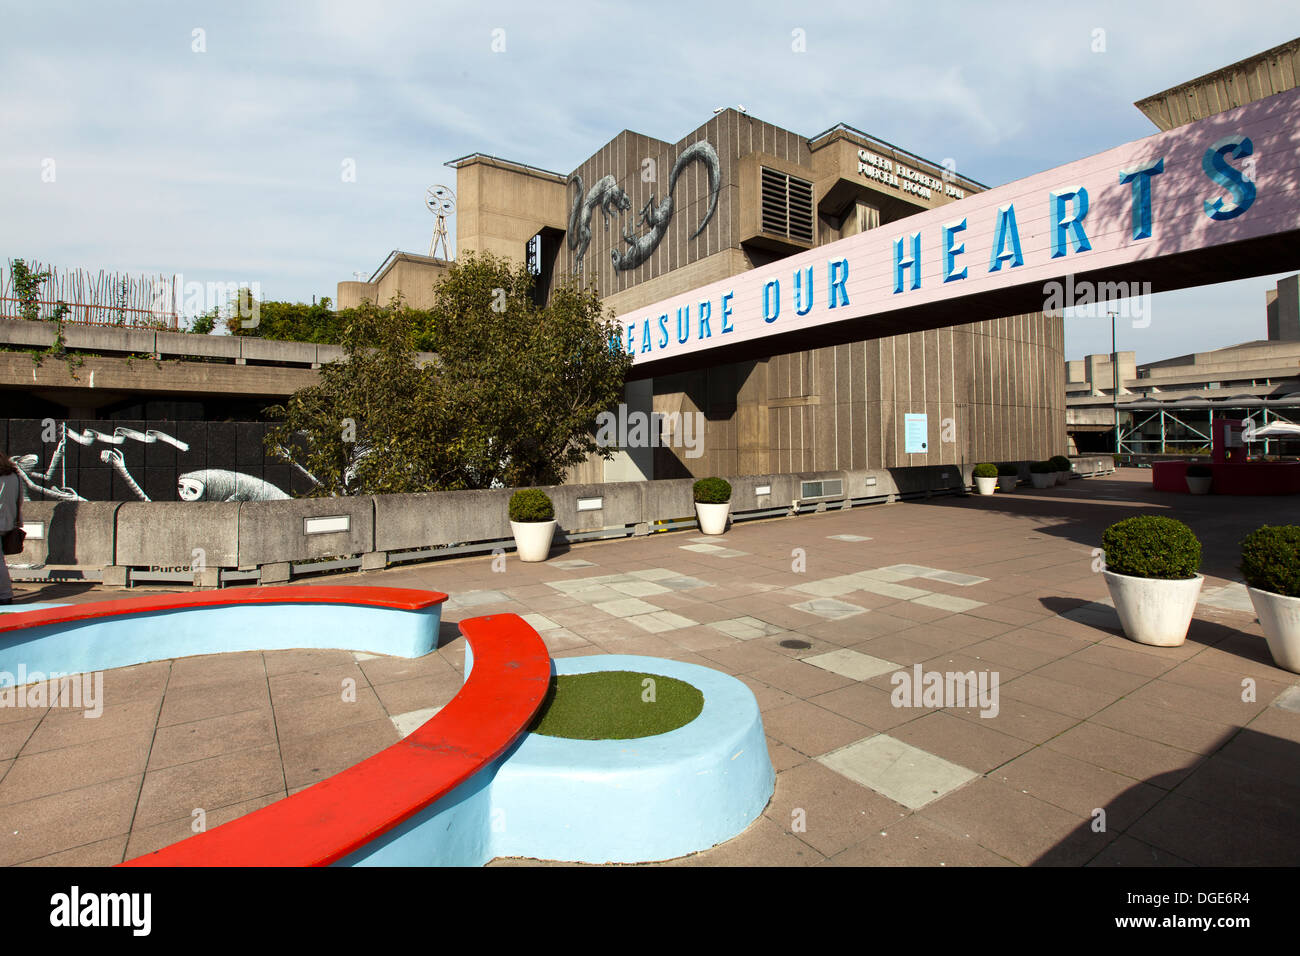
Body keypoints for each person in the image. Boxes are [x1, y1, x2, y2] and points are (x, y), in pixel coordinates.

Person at [0, 455, 21, 605]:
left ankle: (5, 595)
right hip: (7, 523)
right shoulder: (15, 477)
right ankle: (5, 594)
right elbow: (19, 500)